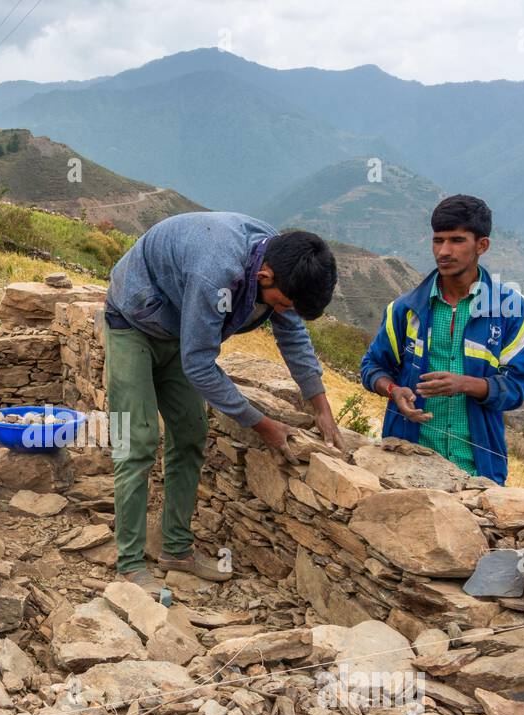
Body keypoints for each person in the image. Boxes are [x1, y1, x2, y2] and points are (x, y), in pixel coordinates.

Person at [102, 211, 344, 590]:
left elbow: (293, 336)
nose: (281, 312)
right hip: (132, 322)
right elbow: (199, 365)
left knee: (191, 434)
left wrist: (321, 407)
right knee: (137, 440)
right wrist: (263, 425)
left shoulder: (284, 261)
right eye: (280, 304)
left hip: (179, 330)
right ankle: (130, 565)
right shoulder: (215, 270)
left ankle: (176, 550)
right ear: (264, 277)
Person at [360, 195, 524, 484]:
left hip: (478, 470)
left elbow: (519, 385)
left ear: (482, 245)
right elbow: (372, 367)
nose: (444, 251)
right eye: (438, 240)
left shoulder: (512, 311)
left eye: (456, 240)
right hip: (407, 464)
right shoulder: (404, 310)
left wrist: (464, 384)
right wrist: (393, 389)